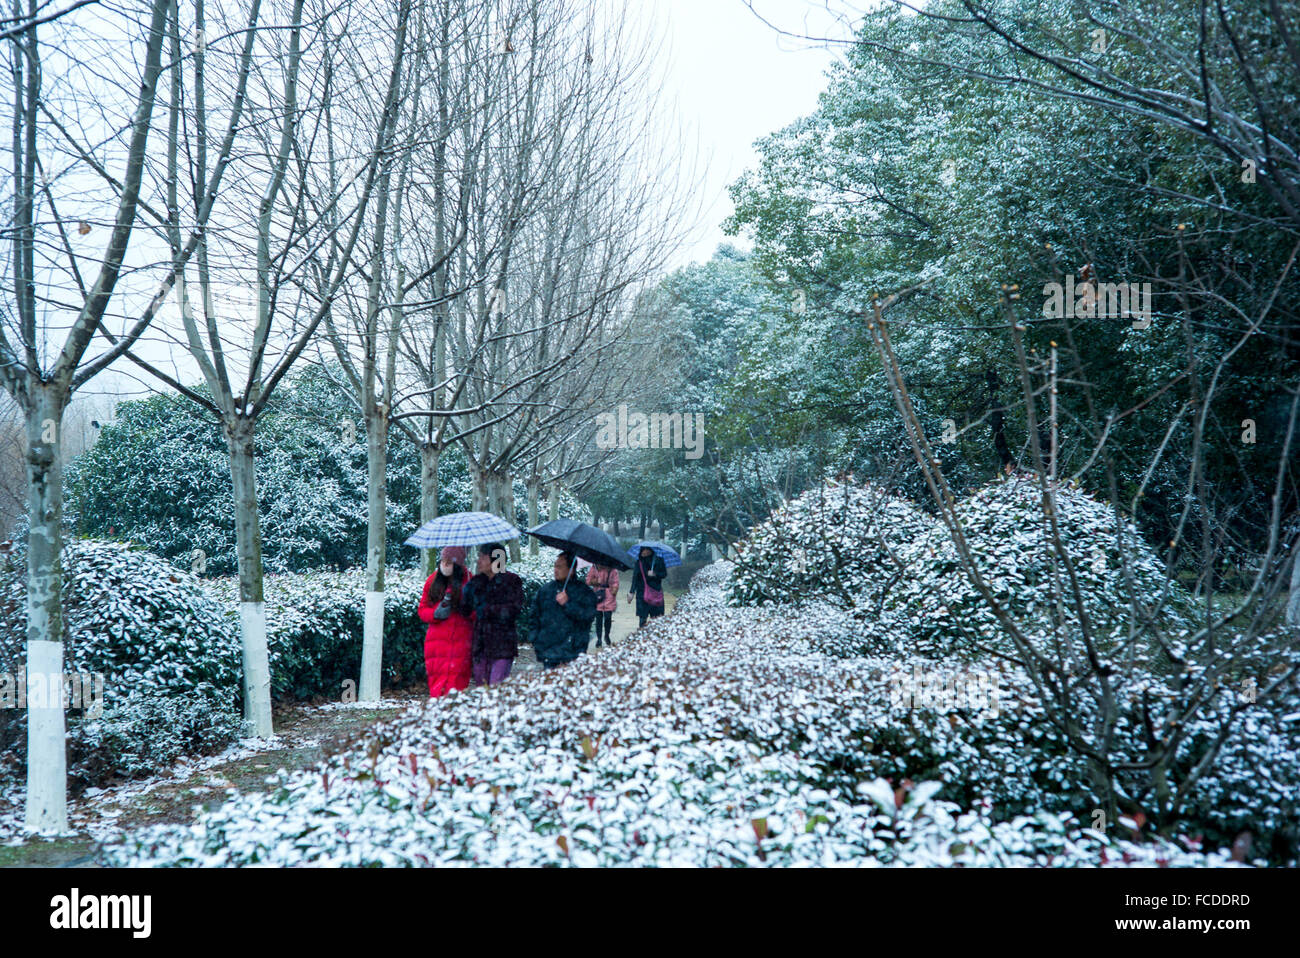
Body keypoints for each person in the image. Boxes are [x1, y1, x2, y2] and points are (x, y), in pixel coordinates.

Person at [462, 542, 525, 687]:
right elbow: (465, 610)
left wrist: (488, 609)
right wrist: (466, 591)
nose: (479, 561)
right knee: (482, 690)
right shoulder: (477, 582)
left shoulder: (511, 581)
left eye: (483, 557)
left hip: (502, 644)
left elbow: (514, 609)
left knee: (496, 689)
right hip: (481, 645)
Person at [417, 546, 474, 698]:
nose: (444, 564)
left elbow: (478, 612)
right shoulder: (433, 580)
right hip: (436, 644)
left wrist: (466, 607)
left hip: (461, 642)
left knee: (456, 685)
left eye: (449, 561)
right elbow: (422, 610)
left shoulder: (469, 580)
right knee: (436, 685)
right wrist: (435, 614)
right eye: (443, 560)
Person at [528, 551, 597, 668]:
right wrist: (536, 640)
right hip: (548, 651)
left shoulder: (584, 592)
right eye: (555, 566)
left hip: (573, 651)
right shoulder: (545, 590)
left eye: (559, 567)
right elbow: (534, 616)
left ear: (571, 570)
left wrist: (567, 604)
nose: (555, 570)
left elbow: (587, 616)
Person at [628, 545, 667, 628]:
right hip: (641, 594)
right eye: (643, 550)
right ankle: (642, 637)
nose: (644, 552)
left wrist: (655, 574)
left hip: (656, 593)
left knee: (657, 619)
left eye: (646, 550)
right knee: (642, 619)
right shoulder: (639, 562)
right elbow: (635, 578)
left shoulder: (658, 560)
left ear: (650, 551)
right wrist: (631, 592)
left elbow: (664, 574)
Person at [586, 562, 620, 648]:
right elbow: (588, 581)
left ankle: (607, 635)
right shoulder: (594, 568)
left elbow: (616, 582)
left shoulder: (612, 570)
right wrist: (596, 581)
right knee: (598, 619)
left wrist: (613, 590)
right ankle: (599, 638)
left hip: (609, 596)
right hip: (598, 595)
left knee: (608, 618)